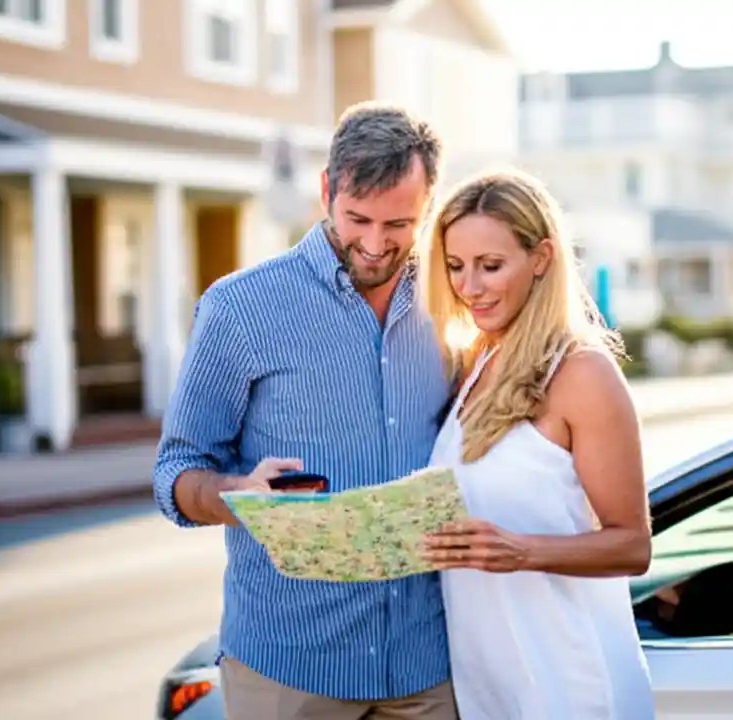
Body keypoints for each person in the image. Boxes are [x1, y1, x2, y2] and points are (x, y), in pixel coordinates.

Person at [151, 102, 458, 720]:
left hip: (428, 661)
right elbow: (175, 472)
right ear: (326, 190)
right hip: (292, 667)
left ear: (430, 205)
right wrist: (240, 493)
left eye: (399, 223)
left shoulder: (455, 299)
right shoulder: (240, 308)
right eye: (357, 218)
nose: (375, 245)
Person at [419, 168, 655, 719]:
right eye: (456, 267)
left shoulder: (582, 373)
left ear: (542, 258)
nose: (469, 287)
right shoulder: (474, 366)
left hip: (571, 686)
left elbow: (633, 546)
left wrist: (524, 551)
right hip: (492, 690)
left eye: (491, 266)